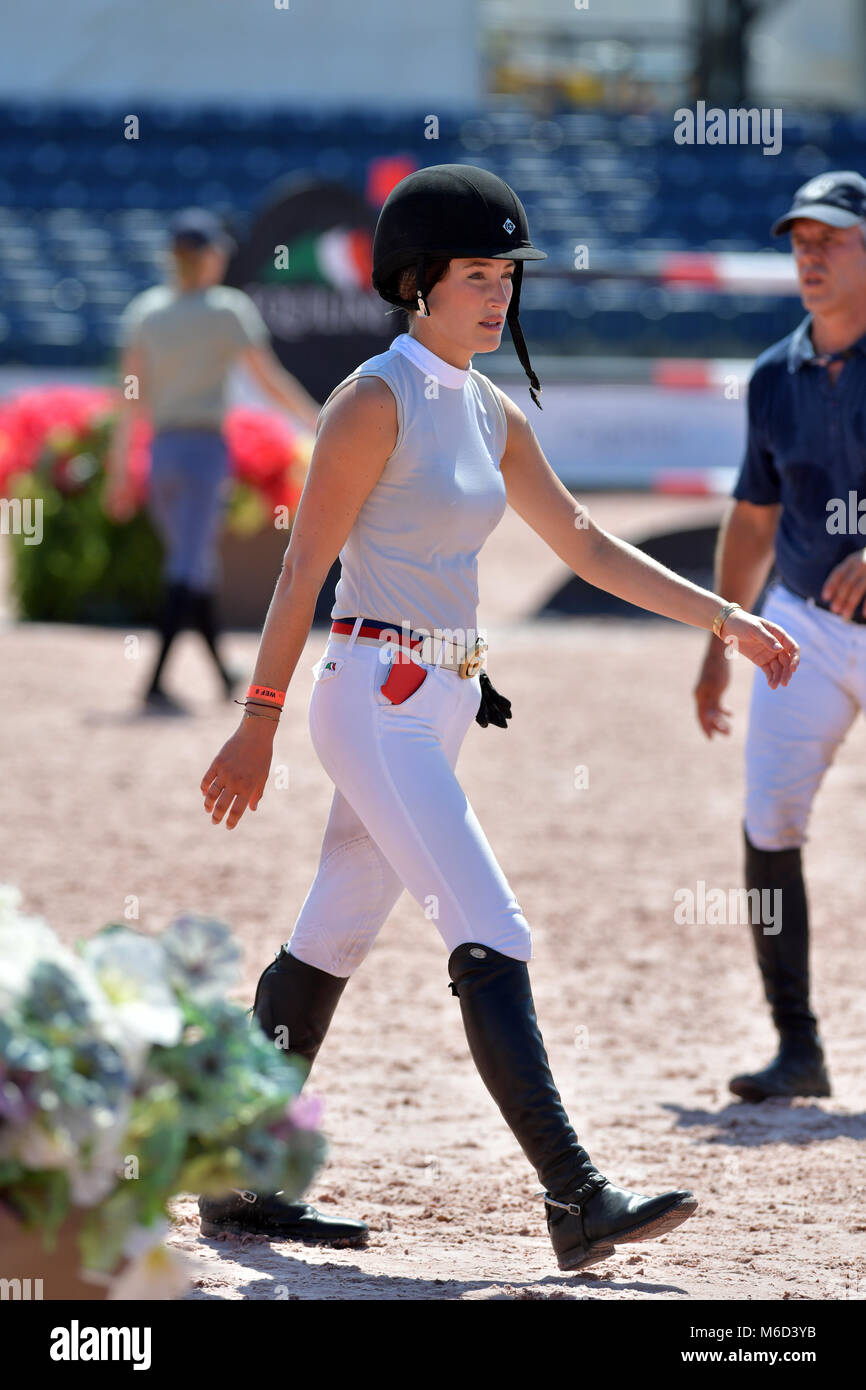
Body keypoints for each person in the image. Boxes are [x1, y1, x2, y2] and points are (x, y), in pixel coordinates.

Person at [197, 165, 800, 1271]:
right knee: (492, 924)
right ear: (418, 283)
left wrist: (721, 614)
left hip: (443, 701)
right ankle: (574, 1195)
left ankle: (233, 1174)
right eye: (476, 276)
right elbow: (299, 577)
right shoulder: (371, 400)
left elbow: (578, 542)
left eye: (505, 277)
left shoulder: (490, 407)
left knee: (328, 935)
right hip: (371, 698)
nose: (497, 296)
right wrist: (257, 720)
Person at [695, 170, 866, 1103]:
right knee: (769, 825)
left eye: (832, 238)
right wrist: (718, 644)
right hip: (801, 622)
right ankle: (797, 1047)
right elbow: (753, 519)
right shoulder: (772, 375)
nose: (811, 253)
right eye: (801, 239)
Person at [104, 208, 321, 713]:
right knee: (187, 566)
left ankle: (222, 672)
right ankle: (155, 682)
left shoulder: (145, 313)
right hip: (203, 452)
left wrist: (119, 472)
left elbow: (128, 400)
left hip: (160, 453)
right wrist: (316, 418)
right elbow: (268, 380)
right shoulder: (228, 310)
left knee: (193, 564)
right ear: (204, 258)